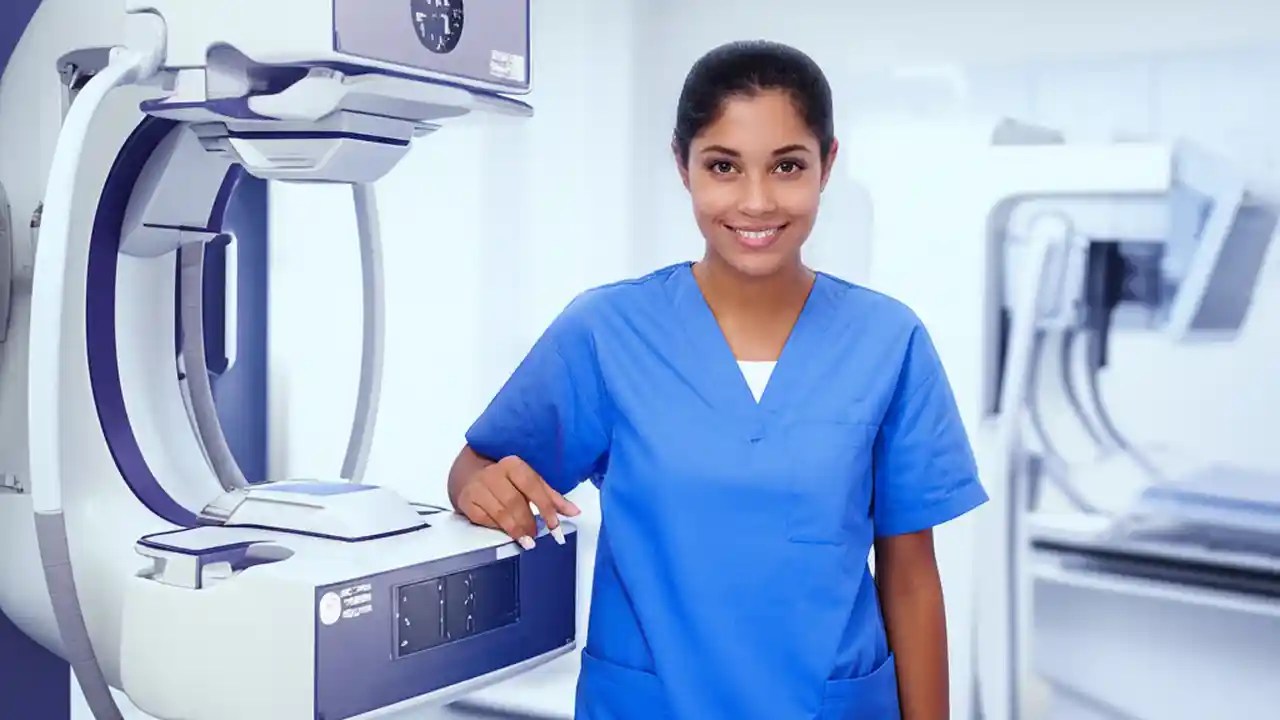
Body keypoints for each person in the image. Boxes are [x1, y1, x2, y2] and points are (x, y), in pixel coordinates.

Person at [447, 39, 988, 720]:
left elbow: (910, 577)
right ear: (683, 166)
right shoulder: (607, 333)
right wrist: (478, 486)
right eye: (724, 166)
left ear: (827, 166)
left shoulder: (889, 342)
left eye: (787, 166)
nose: (756, 202)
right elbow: (478, 466)